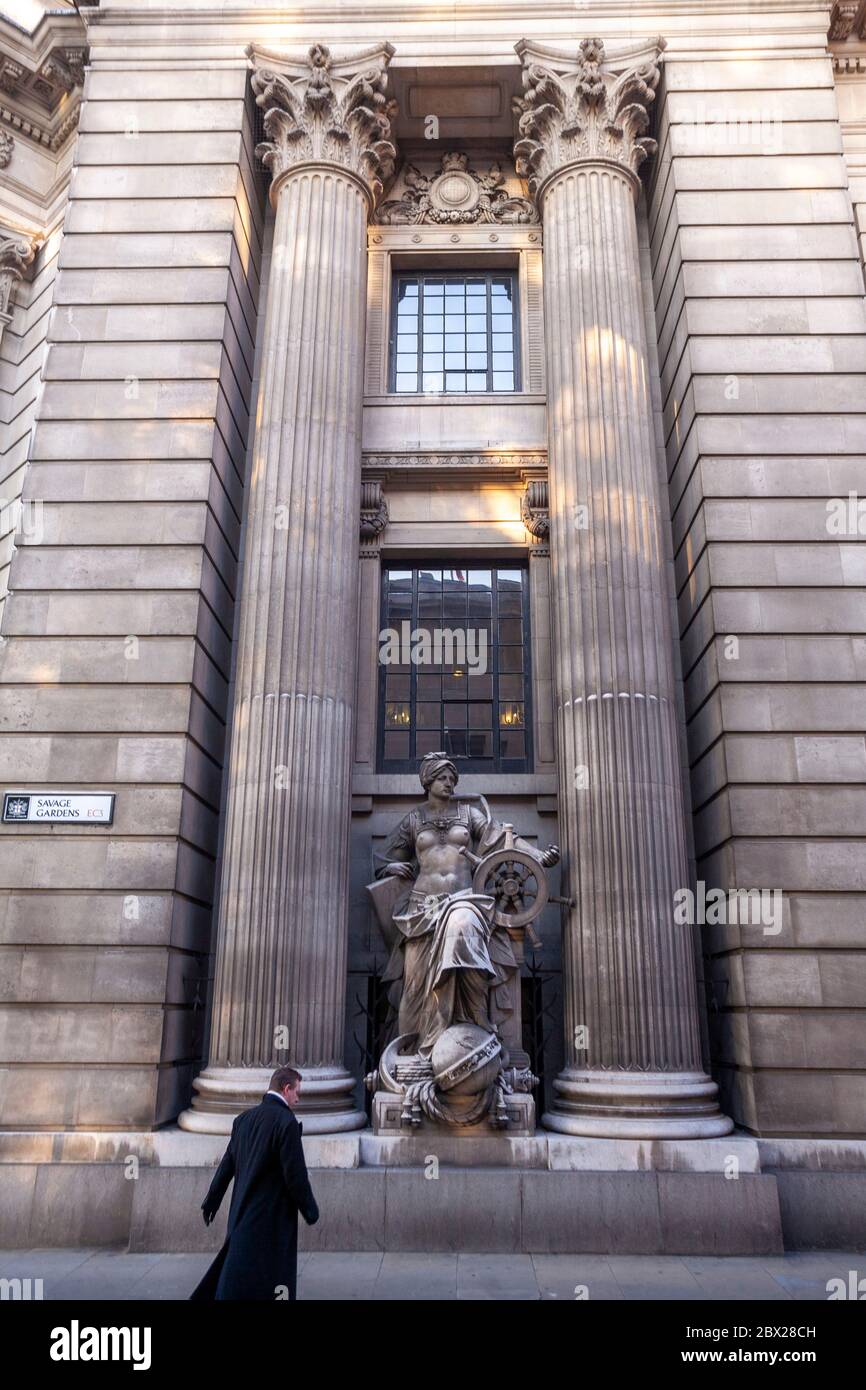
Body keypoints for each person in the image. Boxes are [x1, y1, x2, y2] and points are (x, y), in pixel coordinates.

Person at [377, 751, 559, 1057]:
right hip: (422, 908)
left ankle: (472, 1031)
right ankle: (409, 1054)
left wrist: (537, 857)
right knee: (414, 986)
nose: (449, 783)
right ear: (428, 781)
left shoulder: (469, 813)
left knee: (465, 957)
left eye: (452, 779)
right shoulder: (413, 819)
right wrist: (391, 868)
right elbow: (383, 859)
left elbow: (503, 839)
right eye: (442, 778)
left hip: (463, 901)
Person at [190, 1064, 319, 1301]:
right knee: (270, 1272)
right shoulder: (286, 1122)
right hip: (272, 1215)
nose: (298, 1099)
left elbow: (227, 1164)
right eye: (297, 1092)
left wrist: (212, 1201)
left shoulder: (244, 1120)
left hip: (242, 1209)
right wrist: (310, 1210)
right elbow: (295, 1175)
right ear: (286, 1088)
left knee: (240, 1269)